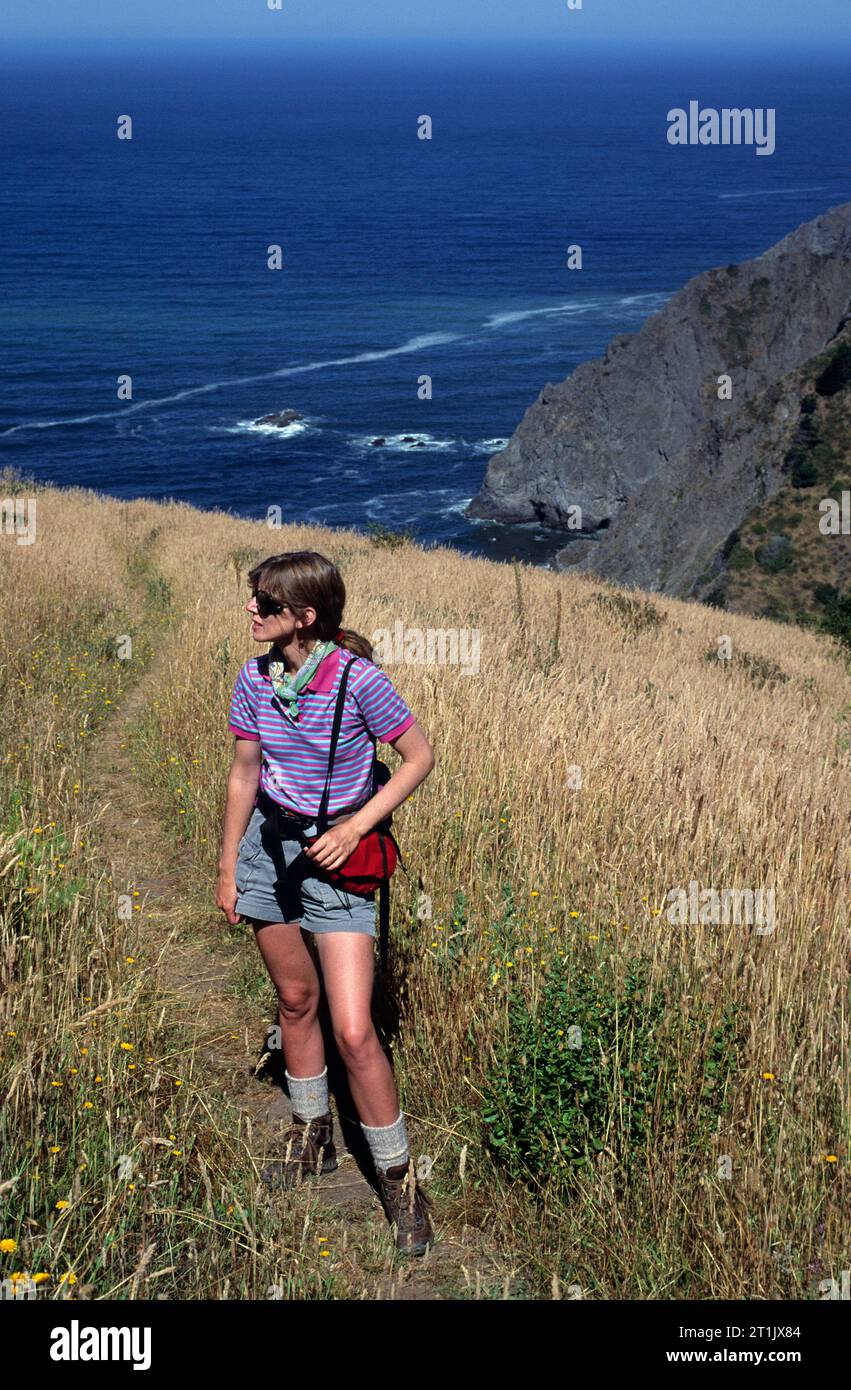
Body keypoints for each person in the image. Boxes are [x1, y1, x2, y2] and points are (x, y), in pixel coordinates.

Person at [215, 549, 436, 1256]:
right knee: (293, 1000)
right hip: (267, 850)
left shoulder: (359, 680)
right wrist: (228, 868)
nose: (251, 611)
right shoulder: (254, 677)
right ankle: (313, 1135)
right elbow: (245, 772)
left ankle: (401, 1186)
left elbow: (420, 756)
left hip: (339, 860)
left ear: (303, 616)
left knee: (353, 1030)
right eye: (254, 600)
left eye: (265, 603)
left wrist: (356, 826)